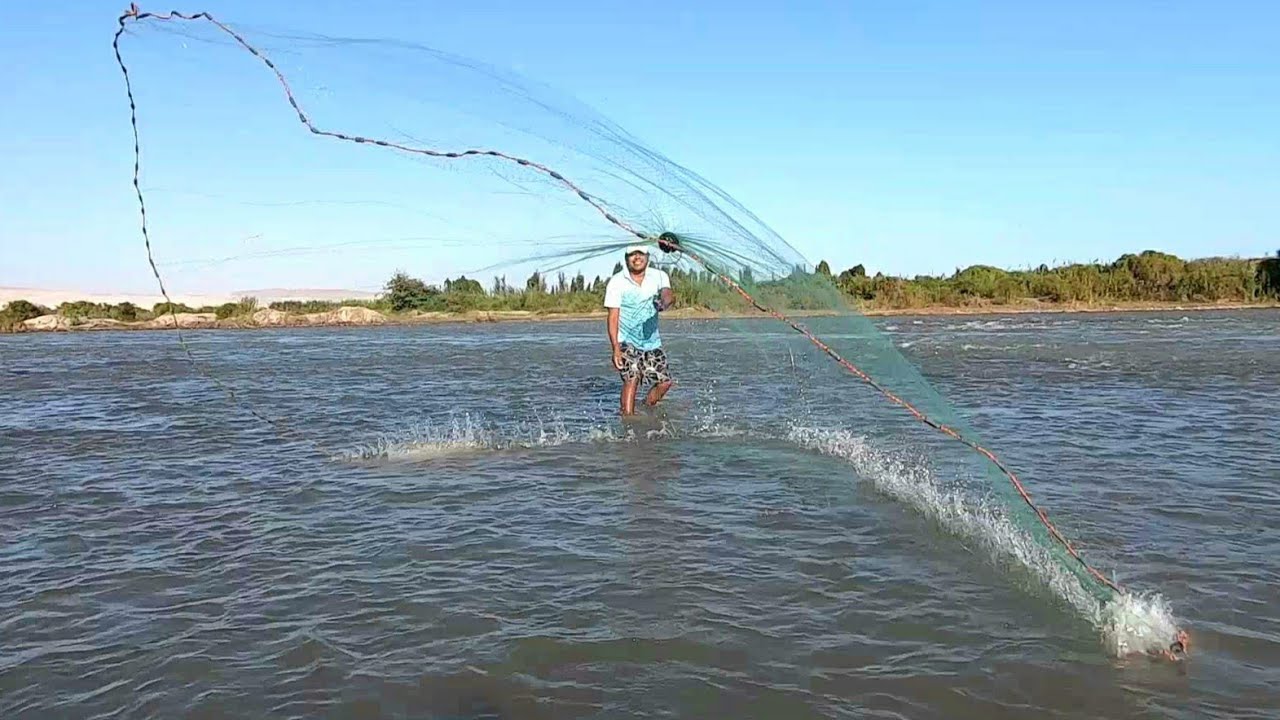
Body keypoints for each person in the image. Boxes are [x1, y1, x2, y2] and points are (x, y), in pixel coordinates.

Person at [603, 244, 675, 415]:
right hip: (626, 340)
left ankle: (646, 406)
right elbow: (613, 317)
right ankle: (627, 419)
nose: (637, 258)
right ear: (626, 259)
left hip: (652, 341)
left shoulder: (659, 275)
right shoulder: (617, 282)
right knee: (632, 377)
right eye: (632, 255)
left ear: (647, 257)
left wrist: (664, 303)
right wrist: (615, 349)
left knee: (665, 382)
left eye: (640, 254)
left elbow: (668, 294)